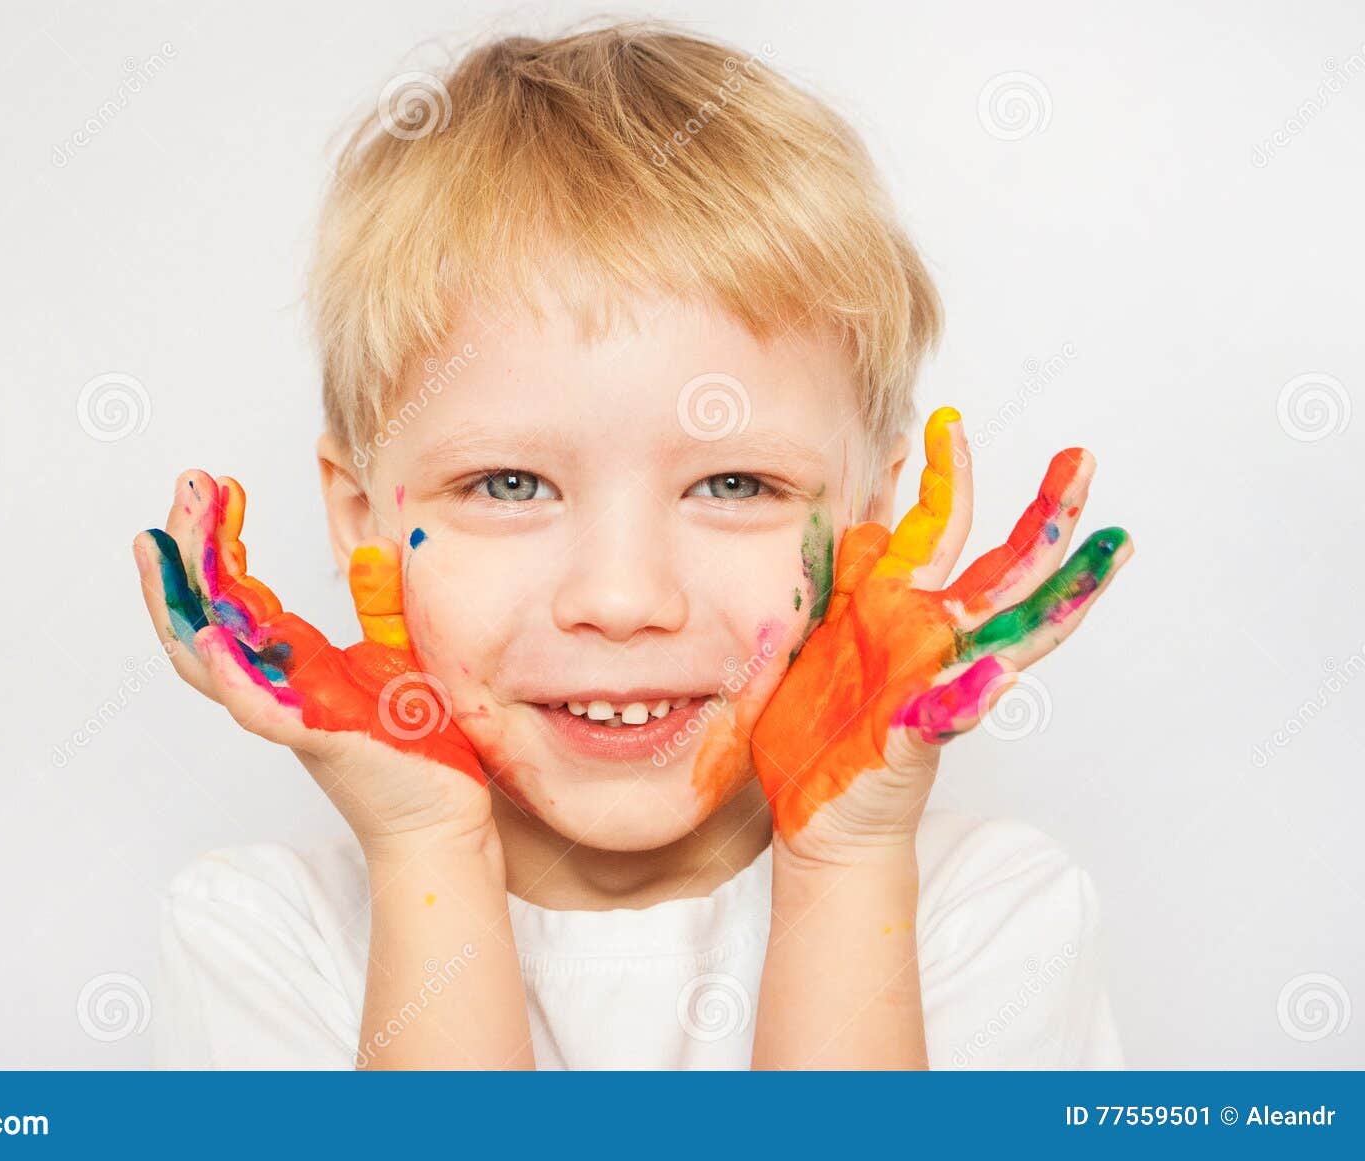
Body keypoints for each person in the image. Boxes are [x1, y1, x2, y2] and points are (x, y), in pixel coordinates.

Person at [131, 21, 1133, 1069]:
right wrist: (432, 854)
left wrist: (846, 867)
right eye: (509, 484)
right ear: (361, 521)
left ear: (868, 526)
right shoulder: (261, 933)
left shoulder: (989, 914)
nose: (620, 598)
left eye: (735, 483)